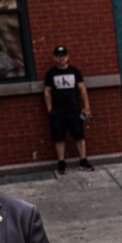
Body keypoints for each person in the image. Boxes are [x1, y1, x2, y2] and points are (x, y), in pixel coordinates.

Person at [42, 46, 93, 174]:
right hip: (58, 111)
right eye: (58, 56)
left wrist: (86, 107)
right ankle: (61, 163)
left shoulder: (75, 72)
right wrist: (50, 110)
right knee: (59, 137)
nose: (61, 59)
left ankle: (83, 160)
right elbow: (47, 92)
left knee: (79, 135)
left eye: (63, 56)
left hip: (74, 110)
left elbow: (82, 90)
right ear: (54, 58)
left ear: (67, 57)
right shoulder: (50, 73)